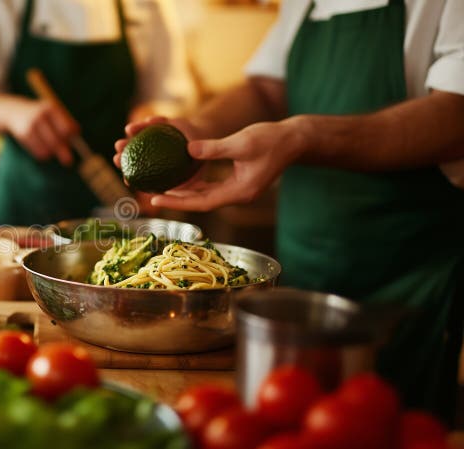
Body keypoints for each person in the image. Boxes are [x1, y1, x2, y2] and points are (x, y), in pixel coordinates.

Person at [116, 0, 464, 420]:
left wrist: (305, 135)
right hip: (302, 268)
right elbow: (267, 90)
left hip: (410, 278)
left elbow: (455, 117)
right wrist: (200, 132)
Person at [0, 0, 195, 226]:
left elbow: (172, 96)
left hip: (120, 207)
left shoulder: (150, 6)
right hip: (26, 206)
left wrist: (153, 118)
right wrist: (15, 114)